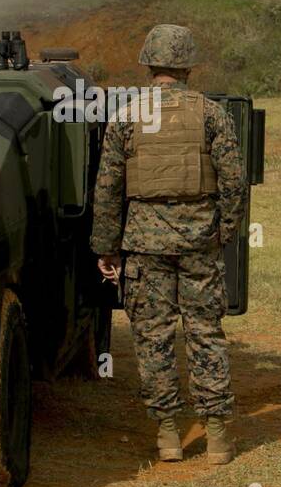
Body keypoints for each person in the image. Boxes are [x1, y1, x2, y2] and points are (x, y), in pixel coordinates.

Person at [90, 24, 246, 464]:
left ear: (148, 64)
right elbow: (234, 183)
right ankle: (216, 437)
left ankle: (168, 435)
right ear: (188, 66)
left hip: (144, 245)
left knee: (153, 338)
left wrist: (107, 248)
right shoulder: (213, 115)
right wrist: (224, 232)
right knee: (205, 334)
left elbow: (107, 189)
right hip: (199, 242)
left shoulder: (126, 116)